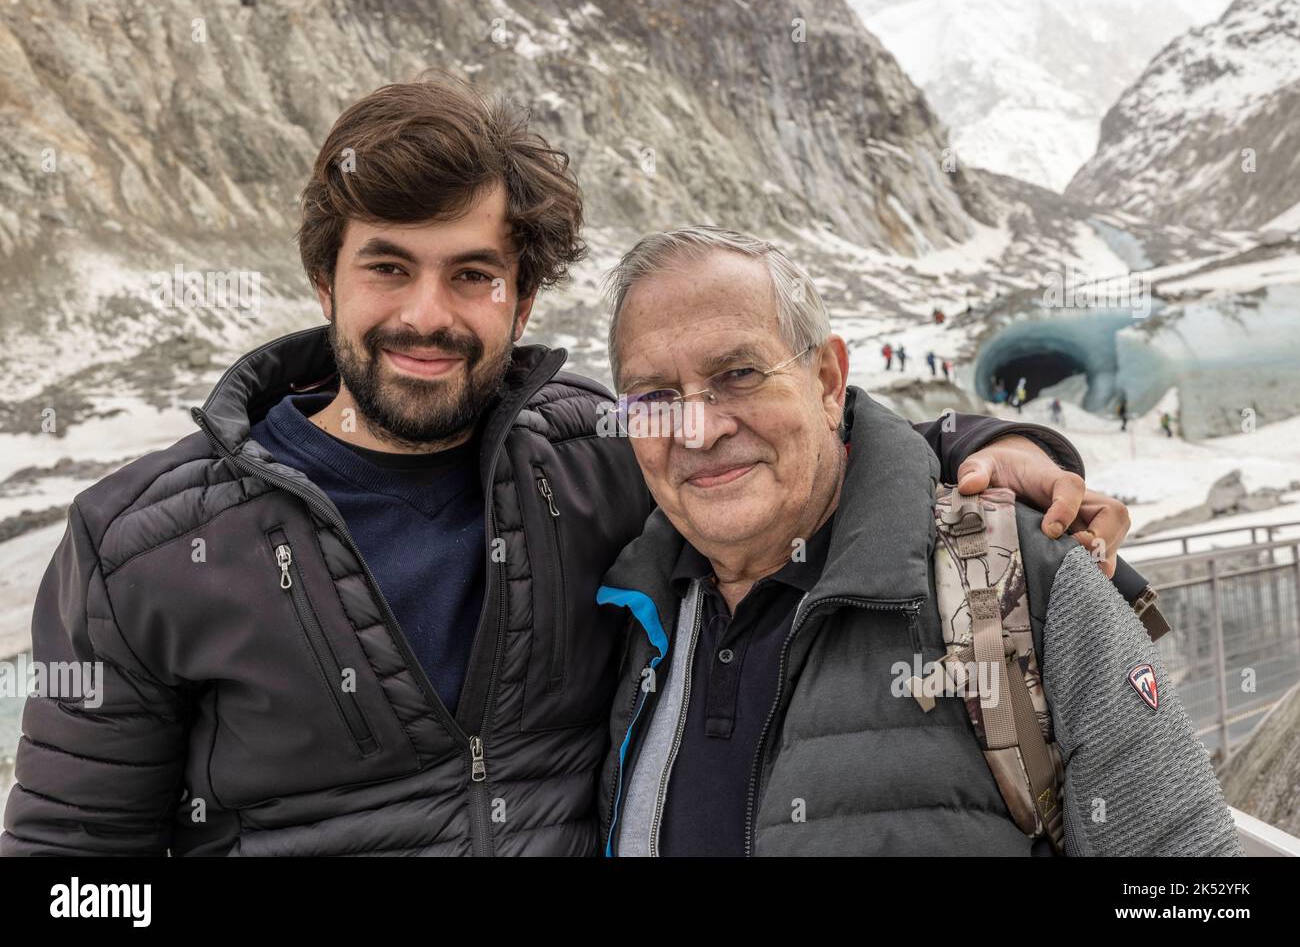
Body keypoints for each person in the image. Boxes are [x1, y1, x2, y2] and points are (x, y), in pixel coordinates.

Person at [1, 80, 1126, 859]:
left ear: (523, 297)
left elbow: (775, 436)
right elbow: (74, 864)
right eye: (387, 267)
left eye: (473, 275)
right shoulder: (138, 547)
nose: (426, 315)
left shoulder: (596, 456)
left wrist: (990, 447)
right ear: (324, 282)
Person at [595, 227, 1240, 857]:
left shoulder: (1023, 580)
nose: (698, 429)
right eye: (655, 397)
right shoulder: (615, 603)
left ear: (826, 380)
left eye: (738, 373)